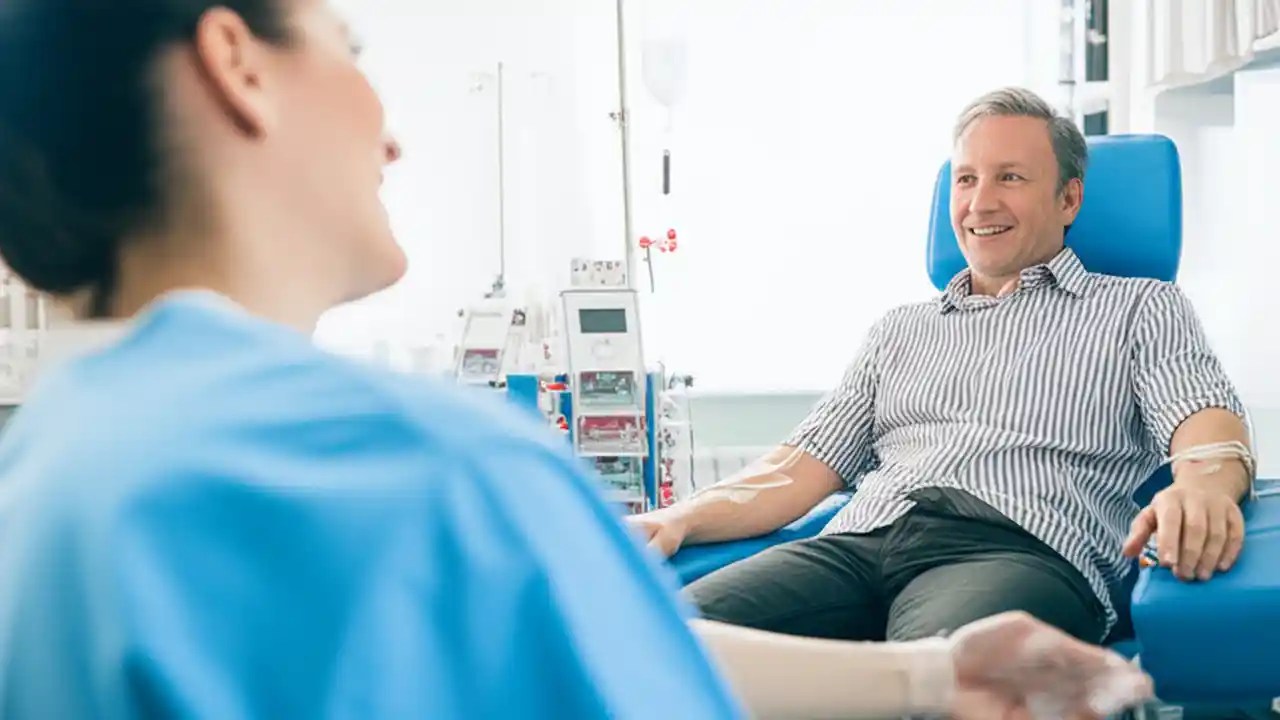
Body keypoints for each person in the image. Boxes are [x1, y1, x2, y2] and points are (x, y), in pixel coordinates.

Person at [0, 3, 1152, 718]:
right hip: (872, 545)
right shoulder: (433, 467)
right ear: (236, 64)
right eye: (346, 47)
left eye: (1008, 177)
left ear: (1065, 197)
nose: (390, 135)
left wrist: (929, 676)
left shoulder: (47, 472)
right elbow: (631, 652)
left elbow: (591, 644)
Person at [632, 87, 1255, 647]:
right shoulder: (899, 330)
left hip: (1015, 549)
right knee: (656, 647)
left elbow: (1205, 422)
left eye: (1010, 177)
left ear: (1069, 198)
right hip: (858, 543)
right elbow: (796, 467)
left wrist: (1202, 486)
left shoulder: (1140, 307)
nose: (980, 203)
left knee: (943, 685)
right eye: (966, 180)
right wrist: (678, 517)